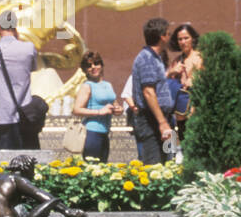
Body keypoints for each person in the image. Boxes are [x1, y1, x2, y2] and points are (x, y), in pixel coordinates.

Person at [0, 7, 39, 150]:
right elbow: (32, 68)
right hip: (26, 116)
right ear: (15, 27)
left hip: (3, 117)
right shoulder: (29, 48)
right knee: (28, 164)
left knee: (2, 165)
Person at [129, 17, 175, 163]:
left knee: (169, 162)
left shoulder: (156, 58)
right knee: (154, 166)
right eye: (169, 33)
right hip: (152, 122)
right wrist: (162, 123)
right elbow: (148, 92)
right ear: (162, 37)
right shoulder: (146, 58)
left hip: (164, 120)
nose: (170, 36)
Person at [72, 50, 122, 161]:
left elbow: (114, 103)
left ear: (101, 65)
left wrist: (119, 109)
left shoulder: (108, 85)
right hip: (91, 132)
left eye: (96, 63)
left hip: (105, 133)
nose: (93, 67)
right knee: (92, 171)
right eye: (89, 66)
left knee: (102, 170)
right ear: (85, 70)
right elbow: (76, 110)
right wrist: (99, 112)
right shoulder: (87, 86)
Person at [166, 22, 203, 140]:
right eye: (180, 39)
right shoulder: (176, 60)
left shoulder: (200, 58)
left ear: (193, 39)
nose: (183, 42)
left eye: (186, 38)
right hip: (180, 113)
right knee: (183, 144)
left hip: (197, 110)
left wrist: (195, 79)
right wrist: (171, 72)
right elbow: (164, 84)